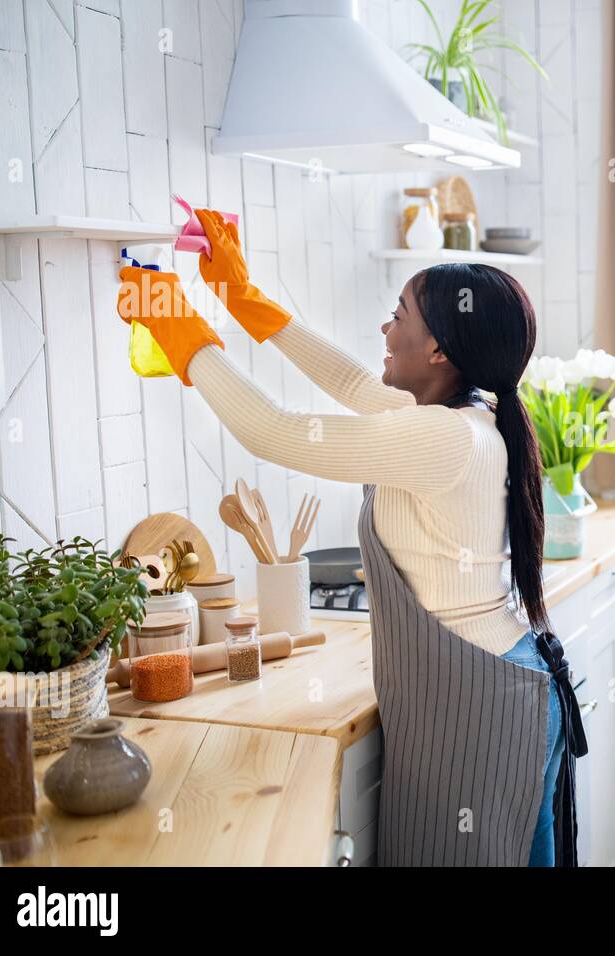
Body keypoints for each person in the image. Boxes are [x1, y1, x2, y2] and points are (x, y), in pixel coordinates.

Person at [115, 210, 583, 866]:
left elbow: (273, 431)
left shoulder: (444, 436)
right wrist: (246, 301)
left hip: (477, 705)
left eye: (400, 316)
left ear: (440, 350)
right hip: (488, 688)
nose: (385, 328)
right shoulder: (461, 413)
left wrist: (181, 333)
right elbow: (352, 383)